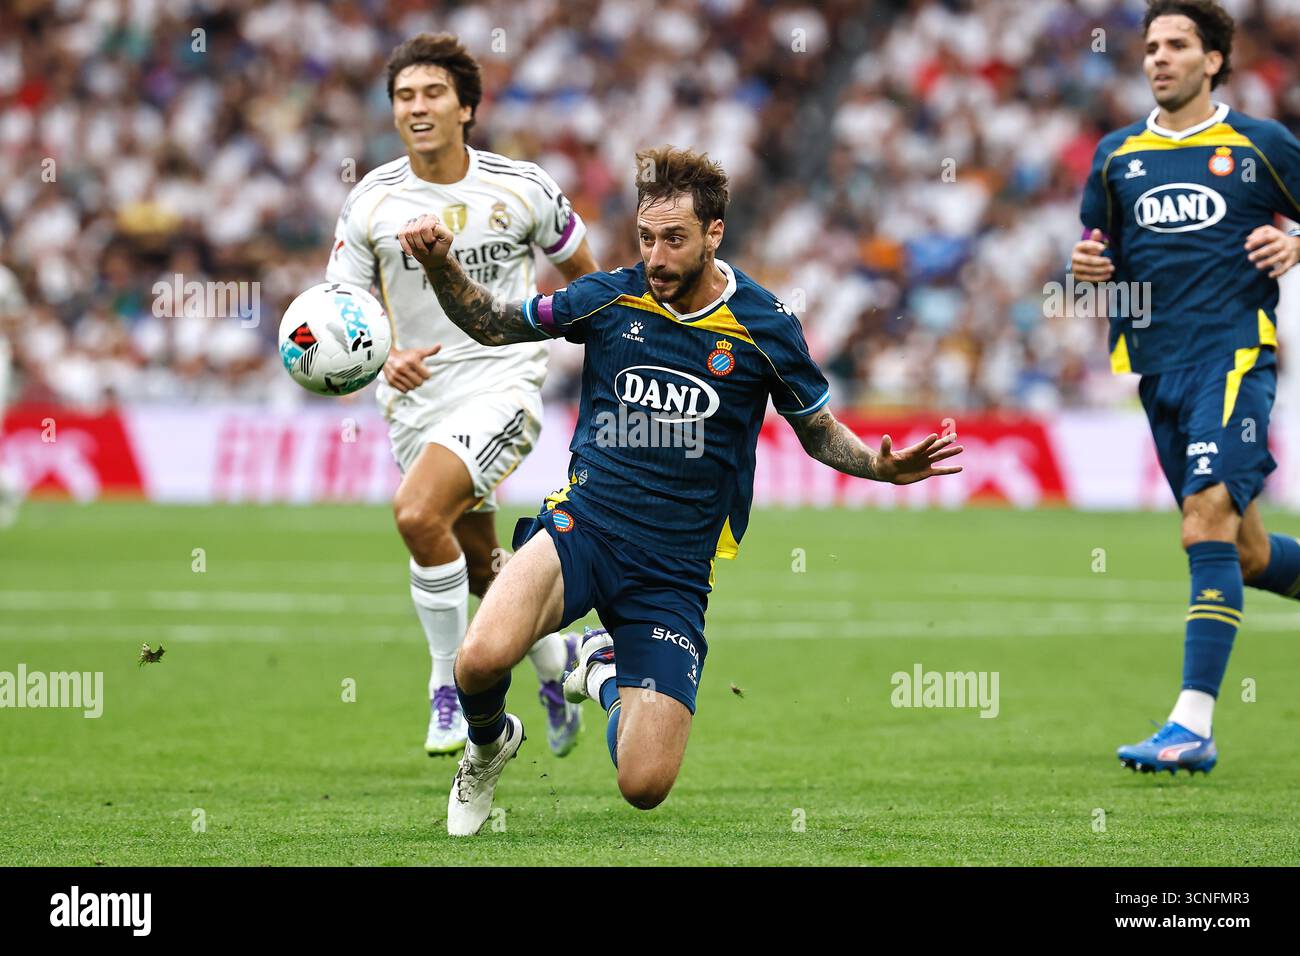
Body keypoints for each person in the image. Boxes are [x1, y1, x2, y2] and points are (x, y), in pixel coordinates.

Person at [397, 145, 964, 835]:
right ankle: (488, 750)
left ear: (714, 233)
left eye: (674, 239)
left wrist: (881, 468)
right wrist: (439, 265)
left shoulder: (764, 325)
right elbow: (493, 323)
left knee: (643, 785)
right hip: (586, 530)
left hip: (674, 570)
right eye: (646, 238)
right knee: (480, 660)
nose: (657, 257)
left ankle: (604, 670)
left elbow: (816, 431)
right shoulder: (610, 297)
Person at [325, 33, 601, 757]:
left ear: (467, 108)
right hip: (417, 400)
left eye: (433, 93)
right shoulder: (371, 201)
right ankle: (558, 663)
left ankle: (446, 687)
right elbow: (343, 311)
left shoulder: (523, 186)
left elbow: (587, 281)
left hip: (503, 383)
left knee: (417, 515)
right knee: (481, 567)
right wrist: (383, 359)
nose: (417, 107)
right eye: (405, 97)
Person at [1072, 0, 1300, 774]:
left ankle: (1191, 725)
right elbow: (1096, 245)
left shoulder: (1261, 145)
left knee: (1205, 523)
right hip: (1158, 369)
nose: (1158, 58)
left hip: (1235, 358)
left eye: (1177, 45)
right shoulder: (1117, 155)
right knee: (1245, 552)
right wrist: (1088, 267)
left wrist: (1294, 240)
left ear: (1214, 60)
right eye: (1150, 46)